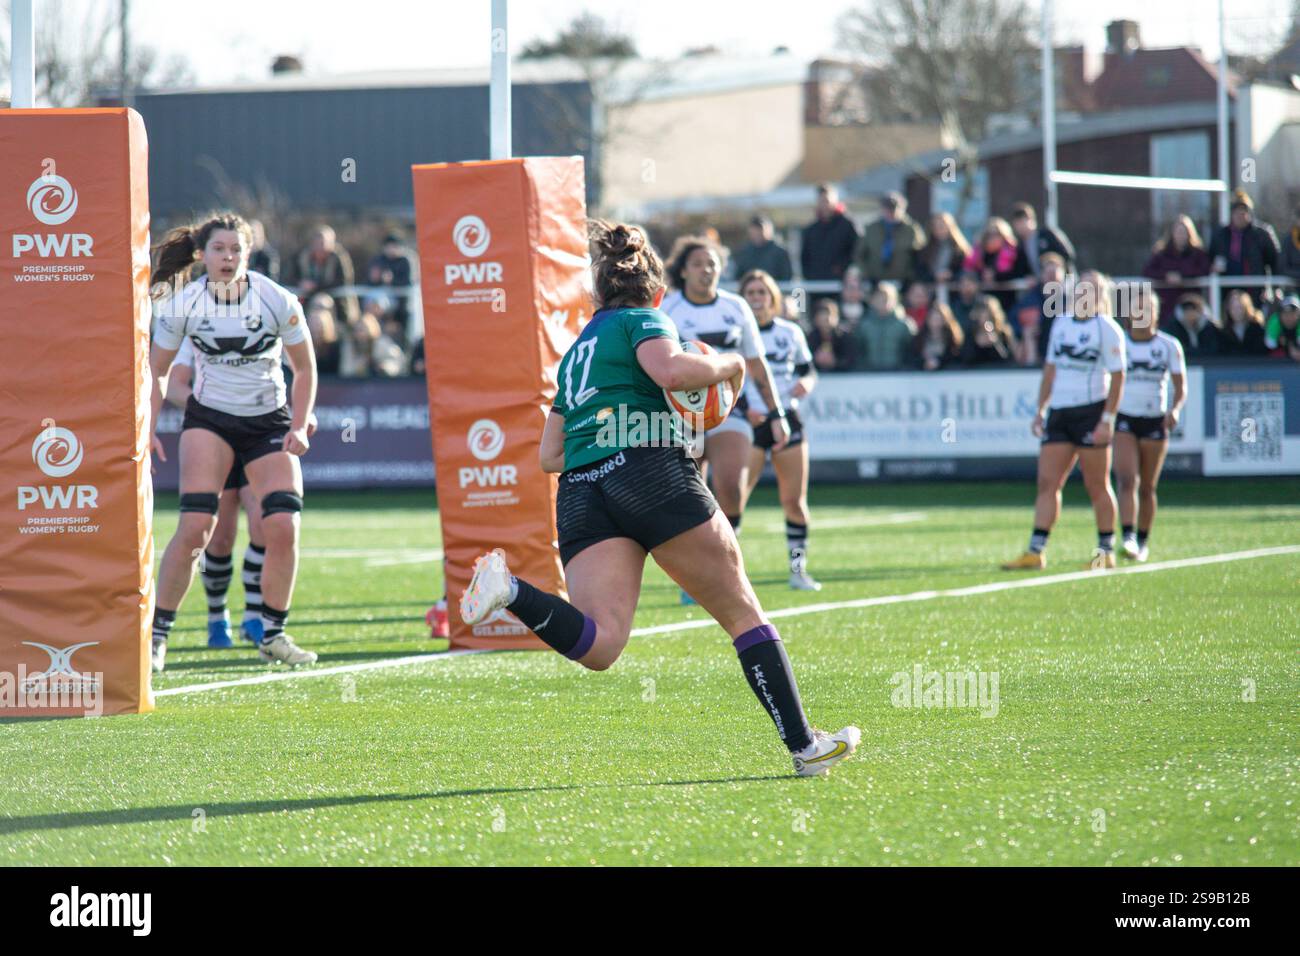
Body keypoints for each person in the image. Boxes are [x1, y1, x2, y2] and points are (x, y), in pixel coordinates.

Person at [458, 220, 860, 777]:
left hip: (580, 491)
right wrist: (731, 364)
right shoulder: (646, 318)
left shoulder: (577, 352)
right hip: (650, 472)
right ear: (658, 292)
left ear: (597, 295)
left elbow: (551, 454)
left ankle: (511, 589)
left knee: (601, 645)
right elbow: (670, 370)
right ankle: (804, 746)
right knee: (742, 609)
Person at [148, 212, 319, 672]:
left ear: (248, 253)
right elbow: (159, 372)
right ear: (202, 255)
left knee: (284, 526)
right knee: (196, 531)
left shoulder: (276, 299)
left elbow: (305, 368)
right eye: (219, 249)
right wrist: (146, 430)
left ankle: (273, 634)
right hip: (212, 421)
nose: (228, 258)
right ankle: (156, 636)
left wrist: (299, 424)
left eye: (236, 250)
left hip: (268, 422)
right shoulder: (183, 304)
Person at [661, 235, 789, 537]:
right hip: (682, 414)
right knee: (688, 496)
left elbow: (756, 363)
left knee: (731, 487)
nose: (706, 270)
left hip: (729, 409)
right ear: (683, 270)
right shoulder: (667, 309)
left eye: (712, 264)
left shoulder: (736, 306)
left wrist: (776, 414)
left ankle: (728, 554)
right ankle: (694, 577)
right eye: (697, 264)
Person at [1003, 270, 1126, 571]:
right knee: (1047, 482)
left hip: (1091, 411)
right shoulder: (1061, 323)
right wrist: (1041, 409)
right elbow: (1050, 369)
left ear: (1100, 297)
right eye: (1081, 288)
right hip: (1060, 412)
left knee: (1096, 484)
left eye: (1092, 290)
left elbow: (1119, 377)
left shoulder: (1107, 328)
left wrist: (1107, 419)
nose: (1084, 294)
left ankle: (1105, 551)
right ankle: (1035, 551)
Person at [165, 339, 269, 648]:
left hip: (258, 434)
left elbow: (301, 368)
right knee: (218, 537)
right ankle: (216, 615)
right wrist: (213, 410)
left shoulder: (266, 314)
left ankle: (254, 615)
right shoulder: (198, 324)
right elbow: (172, 385)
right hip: (215, 436)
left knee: (266, 522)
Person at [737, 270, 822, 591]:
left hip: (786, 418)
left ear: (773, 298)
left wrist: (807, 383)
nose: (757, 299)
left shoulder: (790, 332)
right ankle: (723, 576)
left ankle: (797, 569)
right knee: (733, 499)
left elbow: (808, 370)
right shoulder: (736, 335)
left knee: (794, 501)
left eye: (762, 292)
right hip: (750, 422)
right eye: (751, 293)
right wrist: (746, 409)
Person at [1113, 283, 1186, 563]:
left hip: (1155, 419)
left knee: (1147, 487)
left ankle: (1143, 541)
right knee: (1127, 478)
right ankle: (1128, 536)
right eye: (1137, 308)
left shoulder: (1168, 345)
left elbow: (1181, 386)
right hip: (1125, 418)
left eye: (1148, 309)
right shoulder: (1120, 342)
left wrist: (1175, 409)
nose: (1142, 313)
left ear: (1156, 313)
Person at [1208, 190, 1280, 293]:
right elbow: (1210, 259)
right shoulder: (1220, 235)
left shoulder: (1262, 234)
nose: (1240, 216)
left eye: (1243, 212)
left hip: (1254, 290)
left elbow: (1275, 262)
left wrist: (1275, 289)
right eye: (1236, 212)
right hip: (1227, 291)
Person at [1142, 214, 1211, 317]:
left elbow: (1204, 270)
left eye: (1184, 232)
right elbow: (1147, 271)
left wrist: (1182, 277)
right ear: (1172, 233)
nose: (1181, 235)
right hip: (1166, 307)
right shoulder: (1162, 253)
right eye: (1178, 232)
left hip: (1191, 305)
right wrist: (1166, 276)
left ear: (1189, 233)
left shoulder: (1197, 253)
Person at [294, 224, 360, 329]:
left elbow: (344, 281)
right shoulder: (303, 257)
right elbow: (291, 277)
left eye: (323, 243)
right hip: (307, 300)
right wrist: (301, 283)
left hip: (338, 304)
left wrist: (316, 287)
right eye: (317, 243)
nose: (320, 247)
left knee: (322, 303)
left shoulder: (340, 257)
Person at [855, 191, 926, 286]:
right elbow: (859, 255)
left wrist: (911, 276)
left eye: (895, 208)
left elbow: (920, 255)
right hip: (875, 281)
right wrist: (867, 274)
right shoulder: (871, 229)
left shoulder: (912, 229)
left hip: (904, 281)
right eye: (887, 208)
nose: (891, 212)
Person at [1011, 252, 1067, 364]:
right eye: (1049, 274)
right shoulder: (1030, 299)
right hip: (1037, 354)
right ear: (1042, 275)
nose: (1052, 279)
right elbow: (1012, 320)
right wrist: (1024, 331)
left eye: (1054, 274)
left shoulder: (1070, 301)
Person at [800, 183, 860, 281]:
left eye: (827, 201)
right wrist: (811, 277)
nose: (824, 205)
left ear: (835, 201)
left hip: (842, 285)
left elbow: (858, 252)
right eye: (821, 201)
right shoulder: (811, 230)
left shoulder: (848, 225)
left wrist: (842, 269)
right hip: (817, 286)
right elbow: (805, 259)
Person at [852, 281, 915, 371]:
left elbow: (910, 353)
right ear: (872, 300)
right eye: (879, 298)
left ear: (895, 300)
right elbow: (858, 353)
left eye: (887, 298)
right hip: (869, 376)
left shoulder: (905, 325)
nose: (883, 301)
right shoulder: (863, 325)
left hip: (898, 375)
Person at [963, 217, 1021, 313]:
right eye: (989, 235)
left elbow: (1017, 273)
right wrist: (982, 276)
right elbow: (969, 271)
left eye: (997, 235)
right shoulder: (980, 254)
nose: (992, 238)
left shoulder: (1014, 252)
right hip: (983, 301)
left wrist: (996, 276)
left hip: (1007, 300)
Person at [1009, 201, 1075, 277]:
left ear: (1030, 219)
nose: (1019, 226)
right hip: (1041, 286)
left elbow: (1068, 254)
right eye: (1016, 223)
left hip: (1062, 282)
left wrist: (1055, 268)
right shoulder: (1021, 245)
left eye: (1021, 221)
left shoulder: (1047, 234)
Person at [917, 211, 971, 287]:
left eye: (941, 226)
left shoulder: (960, 249)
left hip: (953, 288)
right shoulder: (926, 249)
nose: (938, 230)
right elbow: (921, 271)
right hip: (931, 288)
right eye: (935, 227)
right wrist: (934, 276)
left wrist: (950, 275)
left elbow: (964, 270)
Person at [960, 295, 1017, 367]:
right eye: (980, 311)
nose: (983, 316)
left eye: (986, 312)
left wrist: (995, 343)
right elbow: (965, 359)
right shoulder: (970, 333)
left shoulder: (1003, 333)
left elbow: (1008, 360)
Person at [731, 214, 793, 281]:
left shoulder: (780, 252)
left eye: (760, 229)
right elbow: (738, 277)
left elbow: (787, 277)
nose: (757, 233)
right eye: (754, 230)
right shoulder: (744, 252)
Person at [1162, 293, 1221, 359]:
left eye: (1193, 310)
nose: (1190, 314)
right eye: (1186, 310)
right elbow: (1177, 350)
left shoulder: (1210, 328)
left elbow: (1213, 350)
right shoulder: (1173, 328)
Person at [807, 298, 858, 371]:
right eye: (822, 317)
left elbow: (851, 361)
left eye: (830, 315)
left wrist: (835, 362)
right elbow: (803, 363)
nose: (827, 320)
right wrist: (815, 360)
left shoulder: (845, 338)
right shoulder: (810, 338)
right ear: (815, 319)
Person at [1218, 290, 1269, 357]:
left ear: (1246, 308)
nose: (1236, 311)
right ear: (1228, 309)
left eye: (1240, 307)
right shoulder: (1222, 333)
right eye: (1233, 307)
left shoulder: (1256, 329)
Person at [1264, 294, 1300, 361]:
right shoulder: (1274, 324)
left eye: (1293, 313)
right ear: (1280, 314)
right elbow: (1269, 346)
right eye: (1285, 313)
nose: (1289, 317)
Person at [246, 219, 280, 283]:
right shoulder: (244, 255)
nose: (253, 237)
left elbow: (272, 279)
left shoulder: (268, 255)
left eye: (254, 233)